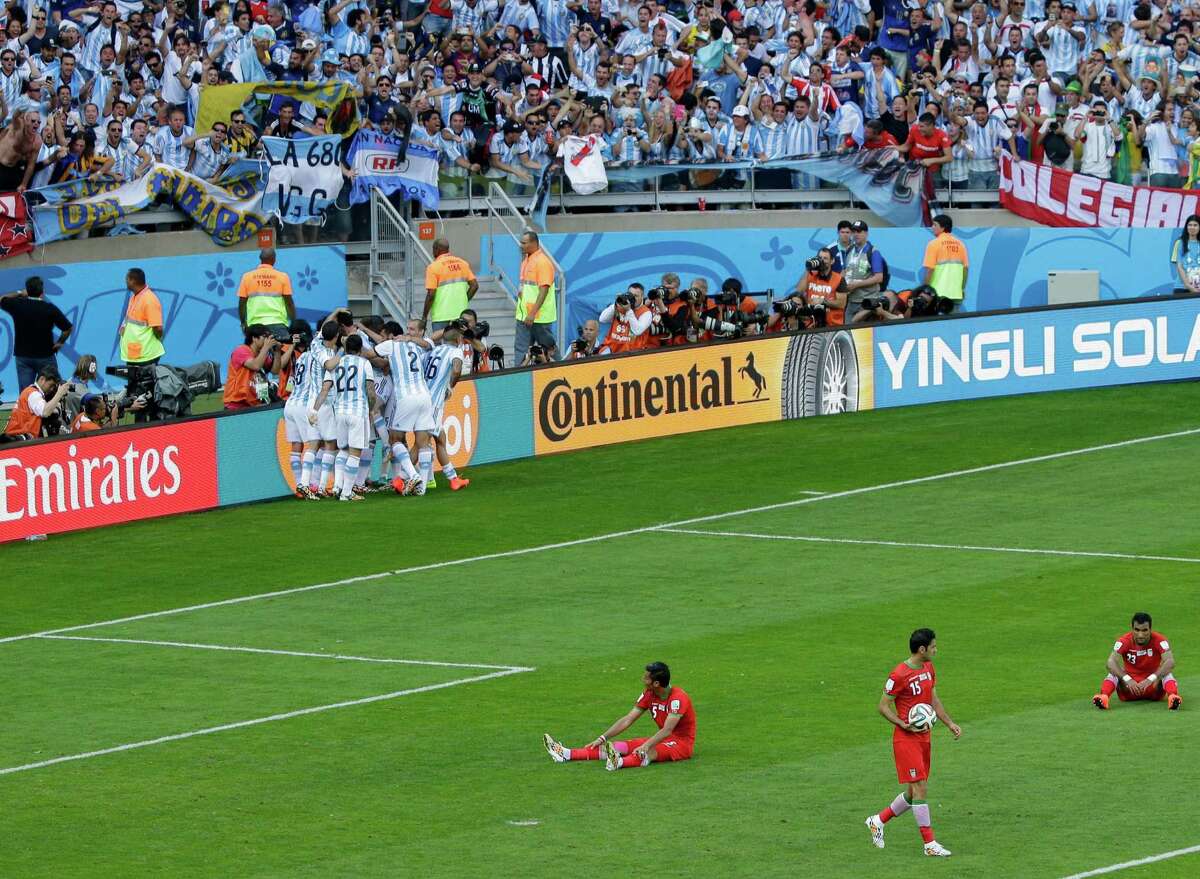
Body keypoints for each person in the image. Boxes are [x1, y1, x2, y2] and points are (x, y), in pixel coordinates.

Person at [864, 628, 961, 858]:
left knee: (912, 792)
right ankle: (929, 844)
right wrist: (902, 723)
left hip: (924, 738)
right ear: (922, 649)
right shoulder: (899, 674)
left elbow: (932, 698)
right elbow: (883, 706)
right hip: (906, 739)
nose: (936, 650)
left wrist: (949, 723)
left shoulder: (929, 668)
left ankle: (878, 820)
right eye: (933, 646)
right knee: (920, 789)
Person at [542, 661, 696, 771]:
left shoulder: (678, 698)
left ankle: (620, 762)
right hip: (663, 738)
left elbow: (667, 730)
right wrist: (602, 738)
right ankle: (566, 754)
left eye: (647, 678)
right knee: (619, 746)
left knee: (647, 752)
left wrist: (647, 744)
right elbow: (628, 719)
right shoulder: (649, 694)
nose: (643, 680)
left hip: (681, 744)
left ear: (656, 683)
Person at [310, 333, 376, 502]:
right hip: (357, 412)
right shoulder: (365, 363)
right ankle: (346, 493)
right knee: (355, 453)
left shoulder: (335, 364)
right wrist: (371, 409)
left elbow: (325, 390)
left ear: (345, 348)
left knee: (343, 450)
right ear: (361, 349)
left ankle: (338, 486)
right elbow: (370, 390)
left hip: (339, 413)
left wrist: (314, 410)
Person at [373, 319, 434, 496]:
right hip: (424, 396)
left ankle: (414, 476)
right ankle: (421, 486)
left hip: (407, 397)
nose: (408, 332)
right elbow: (430, 342)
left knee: (395, 440)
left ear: (421, 331)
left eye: (412, 329)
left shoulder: (396, 345)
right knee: (423, 443)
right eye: (407, 328)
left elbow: (371, 353)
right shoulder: (424, 346)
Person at [419, 319, 470, 491]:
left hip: (422, 396)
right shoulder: (456, 352)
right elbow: (456, 370)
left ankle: (453, 478)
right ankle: (408, 479)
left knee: (440, 438)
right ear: (458, 340)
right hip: (433, 402)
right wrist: (449, 386)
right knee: (422, 442)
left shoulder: (433, 351)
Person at [1092, 612, 1182, 710]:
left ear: (1150, 629)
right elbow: (1110, 662)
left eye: (1144, 630)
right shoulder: (1124, 641)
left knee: (1166, 670)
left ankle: (1173, 697)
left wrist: (1150, 679)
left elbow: (1170, 662)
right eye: (1137, 630)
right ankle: (1104, 697)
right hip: (1129, 689)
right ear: (1132, 629)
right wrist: (1128, 679)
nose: (1140, 635)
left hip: (1153, 688)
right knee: (1114, 670)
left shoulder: (1159, 640)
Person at [0, 276, 73, 393]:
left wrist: (19, 293)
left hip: (23, 357)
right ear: (42, 292)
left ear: (27, 291)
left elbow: (2, 298)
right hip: (46, 356)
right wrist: (60, 342)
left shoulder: (17, 305)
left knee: (26, 394)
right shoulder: (49, 309)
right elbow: (68, 328)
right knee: (52, 391)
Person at [515, 230, 558, 363]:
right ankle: (519, 379)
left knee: (549, 350)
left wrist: (532, 313)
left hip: (539, 318)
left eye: (524, 243)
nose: (520, 245)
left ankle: (562, 371)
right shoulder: (526, 260)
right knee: (521, 351)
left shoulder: (542, 262)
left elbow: (543, 290)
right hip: (524, 316)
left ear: (534, 243)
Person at [236, 248, 295, 338]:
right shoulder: (283, 277)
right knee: (283, 351)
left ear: (260, 258)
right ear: (274, 259)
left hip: (255, 326)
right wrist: (294, 323)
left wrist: (243, 323)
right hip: (278, 324)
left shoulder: (247, 277)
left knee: (256, 352)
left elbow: (241, 304)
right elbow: (289, 303)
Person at [422, 238, 478, 331]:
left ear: (437, 249)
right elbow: (474, 286)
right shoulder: (462, 263)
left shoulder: (433, 267)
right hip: (461, 315)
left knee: (441, 345)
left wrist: (424, 316)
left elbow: (431, 294)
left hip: (441, 316)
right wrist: (464, 300)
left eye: (433, 249)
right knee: (459, 344)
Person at [4, 365, 70, 440]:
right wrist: (59, 394)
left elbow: (47, 409)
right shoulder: (33, 394)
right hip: (16, 441)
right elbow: (45, 412)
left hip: (17, 438)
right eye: (51, 385)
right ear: (42, 379)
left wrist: (56, 407)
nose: (52, 389)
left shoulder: (31, 392)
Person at [222, 324, 279, 410]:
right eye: (265, 337)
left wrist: (277, 351)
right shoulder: (241, 350)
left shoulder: (262, 355)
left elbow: (275, 370)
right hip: (236, 404)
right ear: (254, 338)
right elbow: (256, 365)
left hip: (254, 404)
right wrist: (266, 347)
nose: (267, 340)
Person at [117, 267, 164, 368]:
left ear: (133, 281)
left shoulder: (149, 300)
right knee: (133, 383)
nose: (126, 281)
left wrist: (150, 343)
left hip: (146, 357)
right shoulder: (135, 297)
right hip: (136, 355)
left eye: (127, 279)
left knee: (145, 383)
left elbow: (158, 329)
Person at [842, 220, 887, 323]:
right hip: (851, 300)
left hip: (867, 301)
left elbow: (879, 278)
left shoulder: (873, 252)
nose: (856, 234)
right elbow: (845, 271)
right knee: (848, 333)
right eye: (854, 232)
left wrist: (857, 285)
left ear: (866, 233)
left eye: (859, 231)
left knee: (866, 334)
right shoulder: (849, 250)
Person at [921, 215, 968, 310]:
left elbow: (930, 270)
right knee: (955, 323)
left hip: (937, 294)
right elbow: (965, 270)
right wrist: (961, 289)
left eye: (935, 225)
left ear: (943, 227)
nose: (932, 227)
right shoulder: (961, 244)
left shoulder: (933, 244)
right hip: (956, 294)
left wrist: (924, 289)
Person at [1171, 214, 1200, 295]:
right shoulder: (1179, 242)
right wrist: (1188, 285)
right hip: (1182, 287)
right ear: (1186, 227)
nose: (1192, 228)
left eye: (1195, 225)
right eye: (1190, 225)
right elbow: (1179, 266)